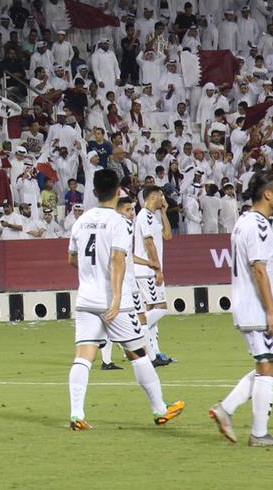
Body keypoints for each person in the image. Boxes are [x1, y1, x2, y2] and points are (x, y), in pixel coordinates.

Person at [64, 169, 183, 431]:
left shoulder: (80, 222)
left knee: (83, 357)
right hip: (114, 302)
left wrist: (91, 275)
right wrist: (117, 298)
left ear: (94, 192)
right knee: (138, 354)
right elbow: (118, 260)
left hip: (85, 300)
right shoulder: (119, 222)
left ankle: (76, 414)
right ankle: (159, 409)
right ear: (119, 191)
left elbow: (72, 259)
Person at [209, 172, 273, 447]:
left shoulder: (245, 220)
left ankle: (226, 408)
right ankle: (259, 433)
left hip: (249, 306)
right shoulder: (257, 225)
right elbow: (258, 270)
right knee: (267, 366)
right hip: (255, 308)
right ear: (267, 194)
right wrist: (272, 312)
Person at [129, 186, 177, 366]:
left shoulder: (154, 216)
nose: (163, 200)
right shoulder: (144, 216)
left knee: (152, 312)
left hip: (151, 271)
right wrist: (158, 269)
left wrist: (164, 213)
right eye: (161, 197)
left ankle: (154, 353)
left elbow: (168, 236)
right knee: (161, 309)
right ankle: (134, 332)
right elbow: (149, 244)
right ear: (153, 197)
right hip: (147, 272)